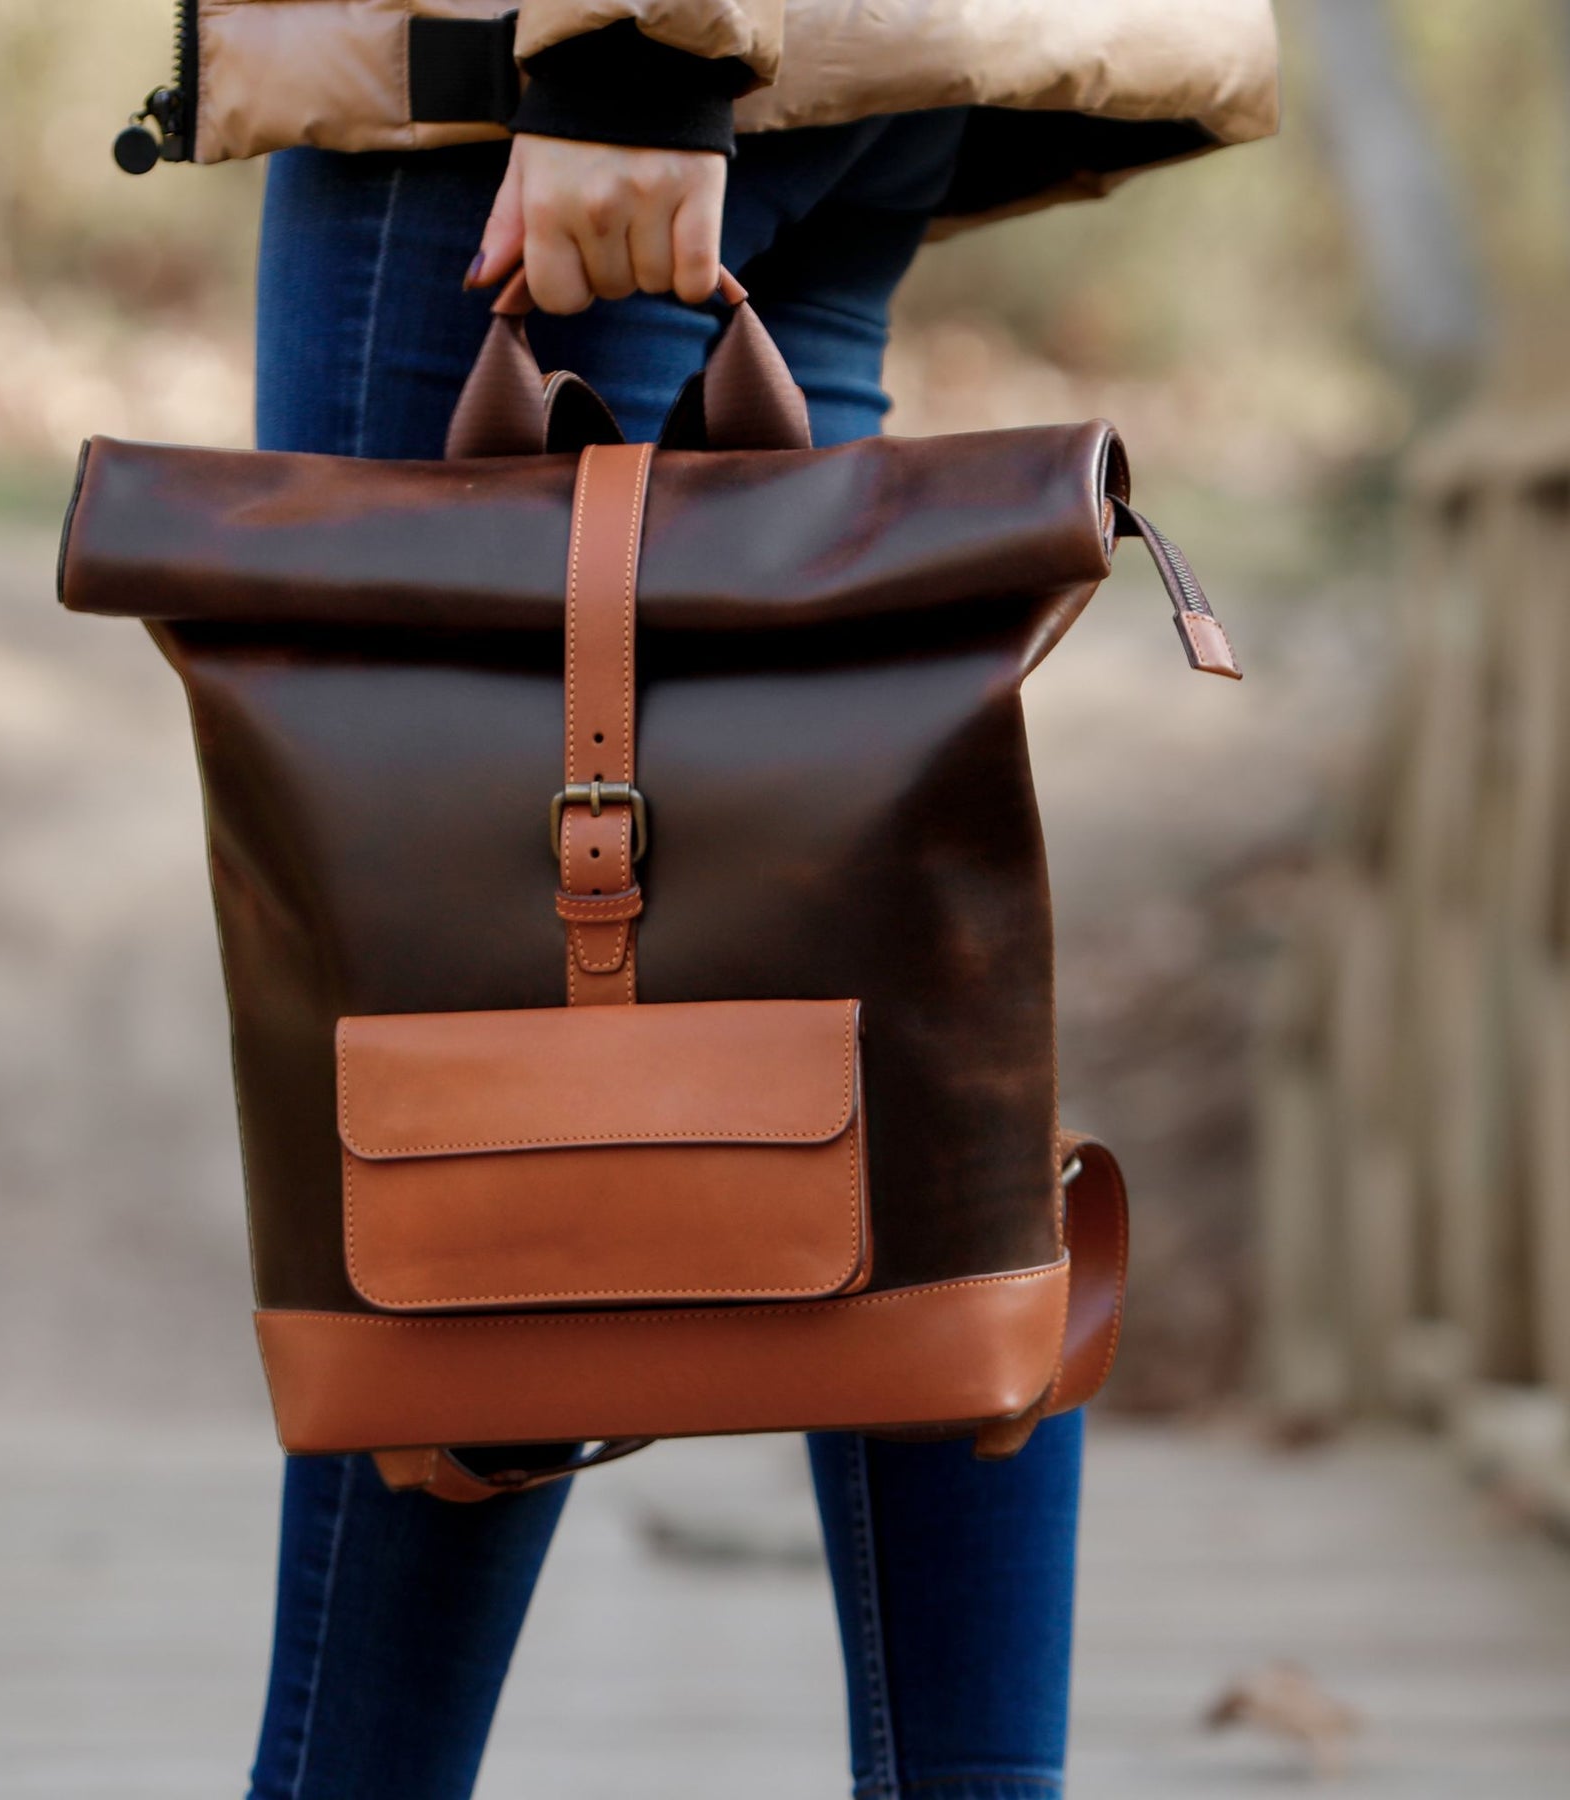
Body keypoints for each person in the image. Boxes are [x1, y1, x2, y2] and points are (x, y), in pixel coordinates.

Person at [209, 3, 1281, 1793]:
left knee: (458, 1045)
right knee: (859, 988)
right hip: (831, 72)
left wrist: (627, 59)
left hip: (554, 86)